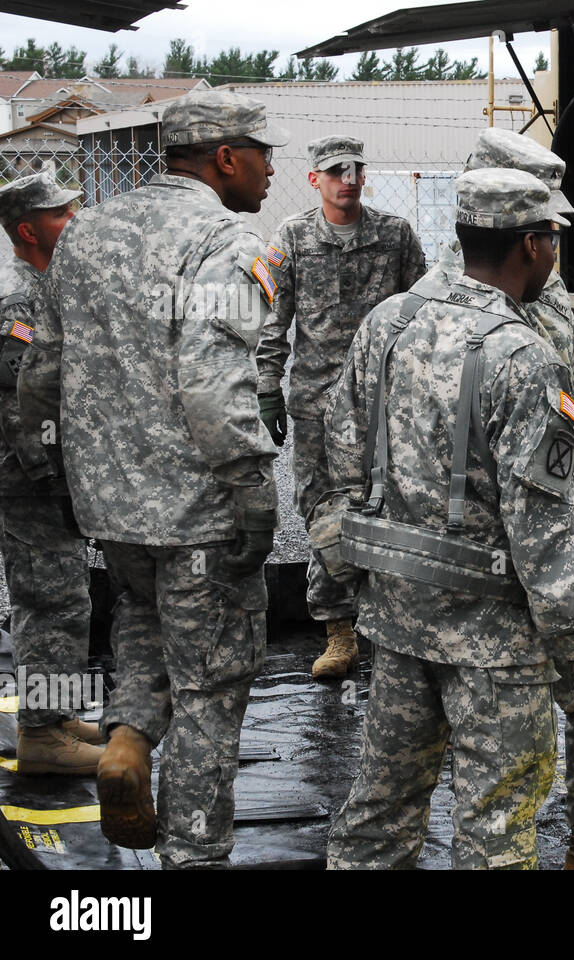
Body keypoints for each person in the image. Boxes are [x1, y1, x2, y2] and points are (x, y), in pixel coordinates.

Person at [18, 90, 286, 868]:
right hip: (200, 513)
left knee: (141, 627)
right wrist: (252, 490)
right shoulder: (226, 240)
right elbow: (213, 385)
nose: (273, 170)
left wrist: (55, 465)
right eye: (263, 154)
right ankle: (194, 857)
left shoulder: (90, 230)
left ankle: (126, 744)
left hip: (113, 509)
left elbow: (44, 368)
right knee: (211, 691)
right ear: (225, 158)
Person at [324, 167, 574, 870]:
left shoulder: (386, 325)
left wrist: (332, 587)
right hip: (497, 644)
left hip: (396, 618)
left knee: (381, 806)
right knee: (495, 821)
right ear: (532, 245)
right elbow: (546, 532)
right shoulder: (524, 357)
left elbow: (338, 468)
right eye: (552, 237)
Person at [429, 127, 574, 869]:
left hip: (556, 531)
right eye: (541, 221)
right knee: (491, 744)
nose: (551, 236)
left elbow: (567, 411)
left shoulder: (543, 293)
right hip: (490, 562)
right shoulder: (437, 307)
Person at [256, 135, 427, 682]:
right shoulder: (293, 237)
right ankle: (339, 631)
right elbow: (272, 318)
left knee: (396, 508)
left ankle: (396, 626)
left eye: (355, 169)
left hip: (385, 399)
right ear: (314, 179)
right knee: (323, 513)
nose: (347, 179)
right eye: (335, 171)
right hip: (317, 405)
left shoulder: (394, 234)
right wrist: (266, 386)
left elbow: (423, 311)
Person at [0, 172, 102, 775]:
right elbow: (20, 404)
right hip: (28, 478)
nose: (75, 221)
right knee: (51, 600)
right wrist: (54, 479)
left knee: (67, 597)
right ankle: (42, 735)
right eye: (62, 214)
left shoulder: (46, 284)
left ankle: (58, 715)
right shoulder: (18, 299)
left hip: (46, 475)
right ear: (29, 229)